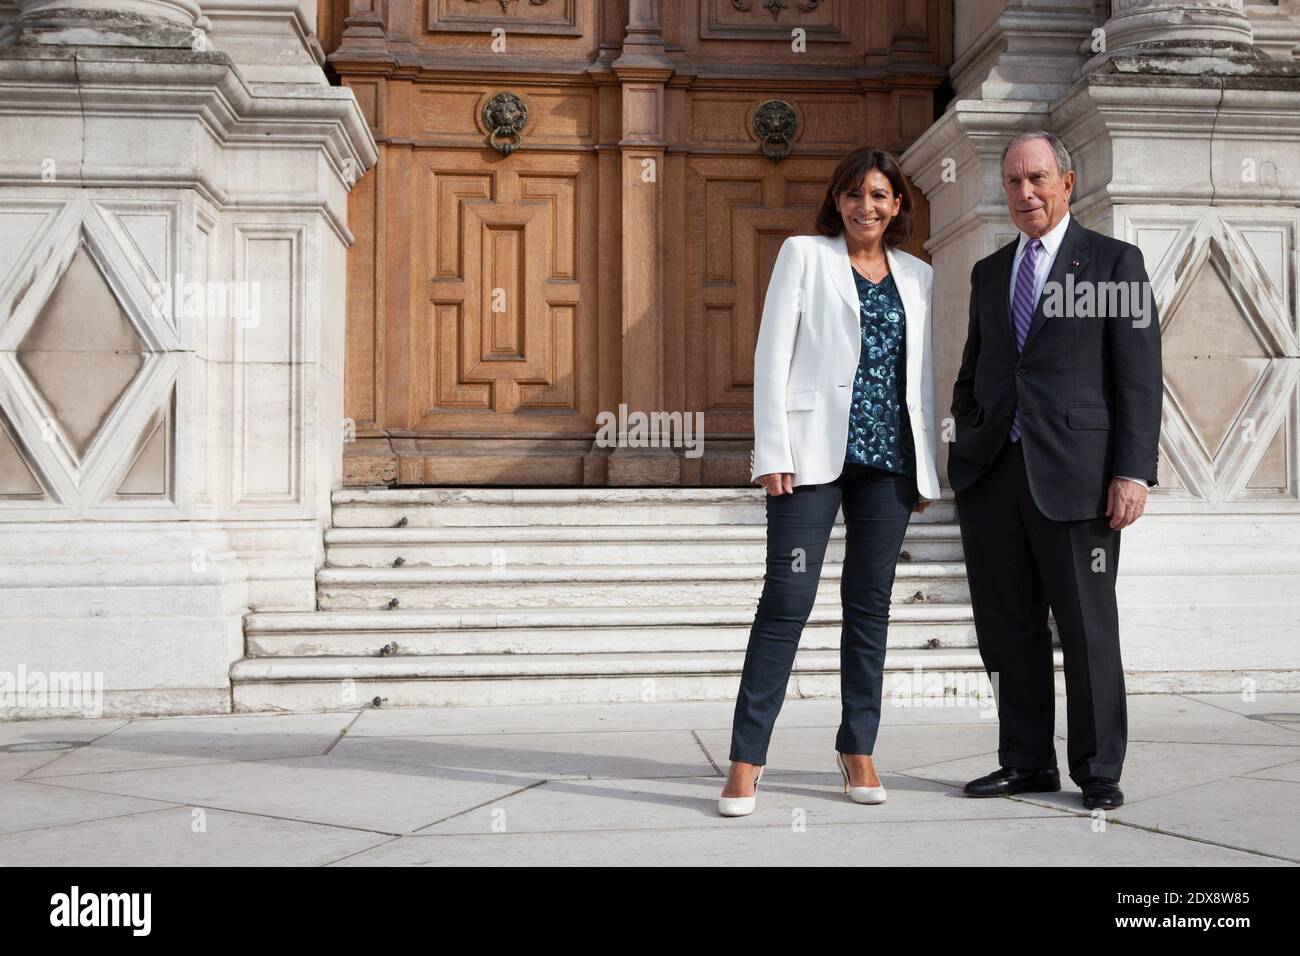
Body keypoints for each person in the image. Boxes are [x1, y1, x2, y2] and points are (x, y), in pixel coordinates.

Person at [719, 147, 941, 817]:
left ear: (898, 204)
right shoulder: (803, 255)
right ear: (837, 201)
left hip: (891, 464)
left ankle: (858, 747)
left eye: (879, 195)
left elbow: (920, 377)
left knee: (869, 606)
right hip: (810, 457)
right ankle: (745, 759)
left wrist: (926, 462)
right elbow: (771, 352)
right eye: (853, 194)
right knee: (786, 601)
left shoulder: (919, 275)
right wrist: (771, 449)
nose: (865, 206)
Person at [948, 130, 1162, 811]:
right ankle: (1025, 762)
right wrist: (971, 445)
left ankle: (1099, 770)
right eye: (1013, 182)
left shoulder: (1113, 263)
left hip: (1078, 478)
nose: (1025, 193)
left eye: (1037, 178)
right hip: (995, 479)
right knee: (1008, 629)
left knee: (1086, 628)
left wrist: (1132, 470)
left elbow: (1139, 379)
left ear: (1067, 183)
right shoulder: (988, 273)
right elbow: (972, 373)